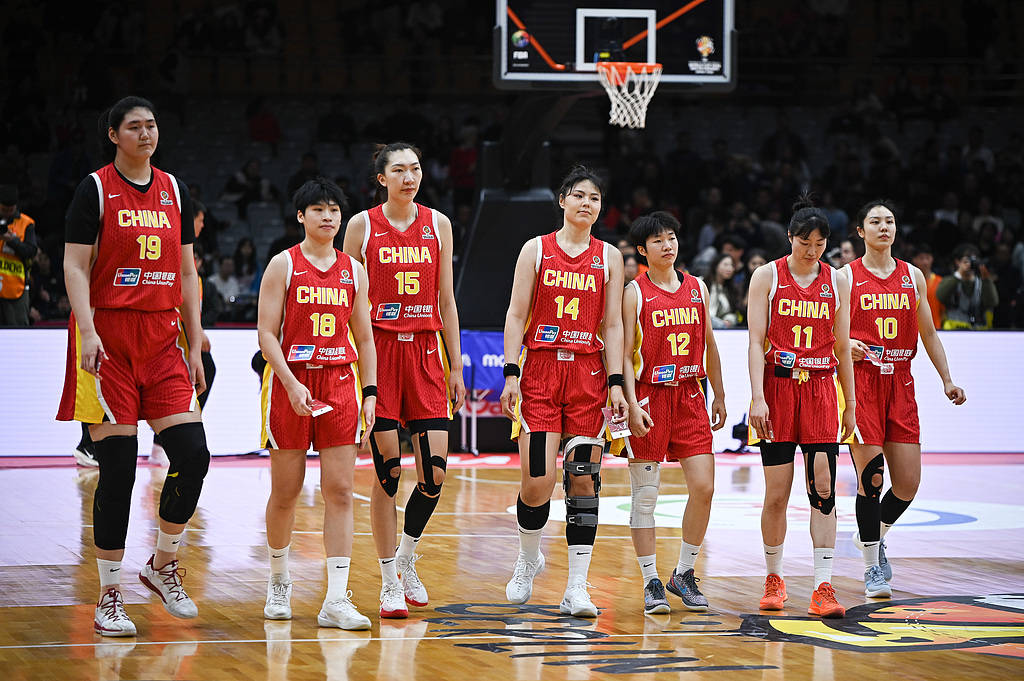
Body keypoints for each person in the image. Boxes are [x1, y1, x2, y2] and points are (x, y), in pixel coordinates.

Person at [57, 96, 210, 637]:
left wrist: (195, 341)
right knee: (118, 471)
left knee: (193, 455)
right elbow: (75, 265)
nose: (146, 134)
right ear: (113, 135)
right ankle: (109, 595)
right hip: (109, 339)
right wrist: (88, 330)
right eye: (134, 127)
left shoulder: (174, 190)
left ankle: (162, 564)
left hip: (163, 339)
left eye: (152, 125)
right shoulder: (95, 189)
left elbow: (187, 273)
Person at [342, 142, 466, 619]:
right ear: (382, 178)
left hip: (426, 352)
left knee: (434, 473)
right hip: (379, 352)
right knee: (388, 473)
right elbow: (345, 295)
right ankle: (388, 580)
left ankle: (407, 558)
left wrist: (456, 366)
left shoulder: (438, 224)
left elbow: (446, 299)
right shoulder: (361, 226)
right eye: (399, 170)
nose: (409, 177)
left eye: (415, 169)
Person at [499, 165, 627, 617]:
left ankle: (576, 587)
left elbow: (614, 324)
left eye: (594, 198)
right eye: (578, 195)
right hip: (540, 371)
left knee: (584, 479)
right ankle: (528, 557)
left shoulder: (609, 257)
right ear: (562, 200)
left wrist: (616, 382)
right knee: (538, 482)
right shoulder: (536, 250)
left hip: (589, 375)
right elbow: (516, 315)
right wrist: (511, 372)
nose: (586, 203)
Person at [258, 178, 378, 630]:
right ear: (301, 216)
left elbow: (365, 338)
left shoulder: (354, 270)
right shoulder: (283, 264)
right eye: (318, 209)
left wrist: (370, 393)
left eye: (334, 210)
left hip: (340, 382)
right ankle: (278, 581)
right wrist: (289, 383)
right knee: (286, 492)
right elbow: (266, 333)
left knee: (341, 491)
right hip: (291, 381)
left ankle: (336, 598)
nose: (328, 217)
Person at [843, 200, 966, 598]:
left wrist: (947, 379)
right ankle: (870, 568)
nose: (884, 227)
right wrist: (845, 345)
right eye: (875, 221)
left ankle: (874, 535)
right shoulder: (846, 277)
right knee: (872, 479)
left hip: (900, 382)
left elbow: (928, 333)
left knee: (909, 484)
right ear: (860, 231)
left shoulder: (912, 276)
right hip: (862, 384)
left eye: (890, 221)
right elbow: (827, 330)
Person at [746, 196, 856, 619]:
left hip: (822, 390)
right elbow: (755, 342)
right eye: (804, 242)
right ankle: (773, 578)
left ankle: (823, 586)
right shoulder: (766, 276)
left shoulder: (837, 280)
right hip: (777, 388)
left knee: (823, 490)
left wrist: (850, 403)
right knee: (776, 494)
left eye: (819, 244)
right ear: (790, 237)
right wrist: (757, 396)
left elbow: (843, 347)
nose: (812, 251)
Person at [621, 212, 726, 614]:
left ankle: (683, 573)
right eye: (658, 241)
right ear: (642, 250)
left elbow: (710, 345)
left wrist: (719, 393)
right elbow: (625, 354)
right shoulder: (634, 292)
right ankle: (650, 580)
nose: (667, 245)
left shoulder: (697, 287)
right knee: (645, 496)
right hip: (649, 397)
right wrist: (631, 403)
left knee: (704, 487)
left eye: (671, 238)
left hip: (689, 395)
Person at [0, 184, 39, 326]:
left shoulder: (26, 223)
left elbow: (31, 251)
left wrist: (12, 241)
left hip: (16, 287)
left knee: (17, 329)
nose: (7, 213)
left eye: (10, 210)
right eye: (4, 210)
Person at [936, 244, 999, 330]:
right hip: (954, 330)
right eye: (966, 260)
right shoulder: (950, 280)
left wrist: (986, 279)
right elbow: (940, 296)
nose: (970, 264)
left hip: (978, 330)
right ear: (957, 262)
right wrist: (959, 275)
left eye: (973, 260)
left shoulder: (982, 282)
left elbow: (992, 302)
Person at [703, 252, 741, 328]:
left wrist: (729, 320)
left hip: (722, 329)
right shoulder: (702, 283)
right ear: (716, 266)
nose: (729, 268)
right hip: (703, 324)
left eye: (732, 265)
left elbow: (733, 312)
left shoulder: (731, 289)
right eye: (725, 265)